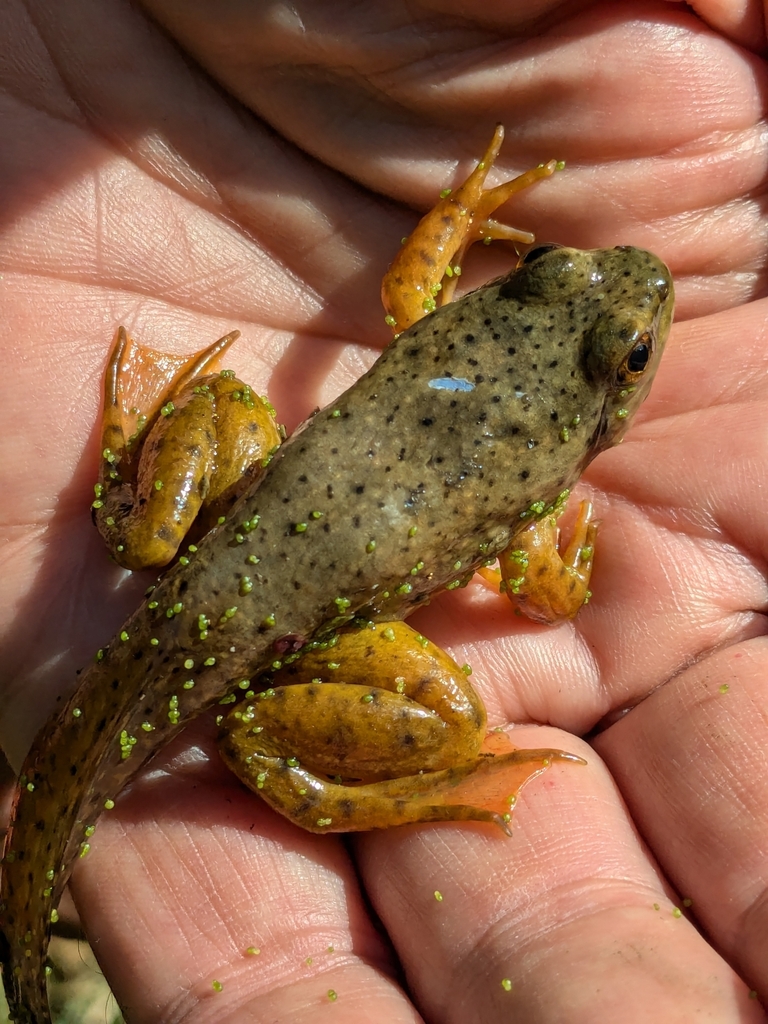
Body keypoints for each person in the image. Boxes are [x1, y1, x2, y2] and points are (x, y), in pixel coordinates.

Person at [1, 1, 767, 1020]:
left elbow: (412, 292)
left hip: (240, 554)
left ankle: (147, 539)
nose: (624, 284)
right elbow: (539, 596)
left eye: (624, 355)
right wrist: (571, 572)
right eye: (548, 270)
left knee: (223, 415)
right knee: (453, 718)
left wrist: (454, 217)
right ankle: (287, 764)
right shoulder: (543, 481)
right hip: (288, 602)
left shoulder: (465, 371)